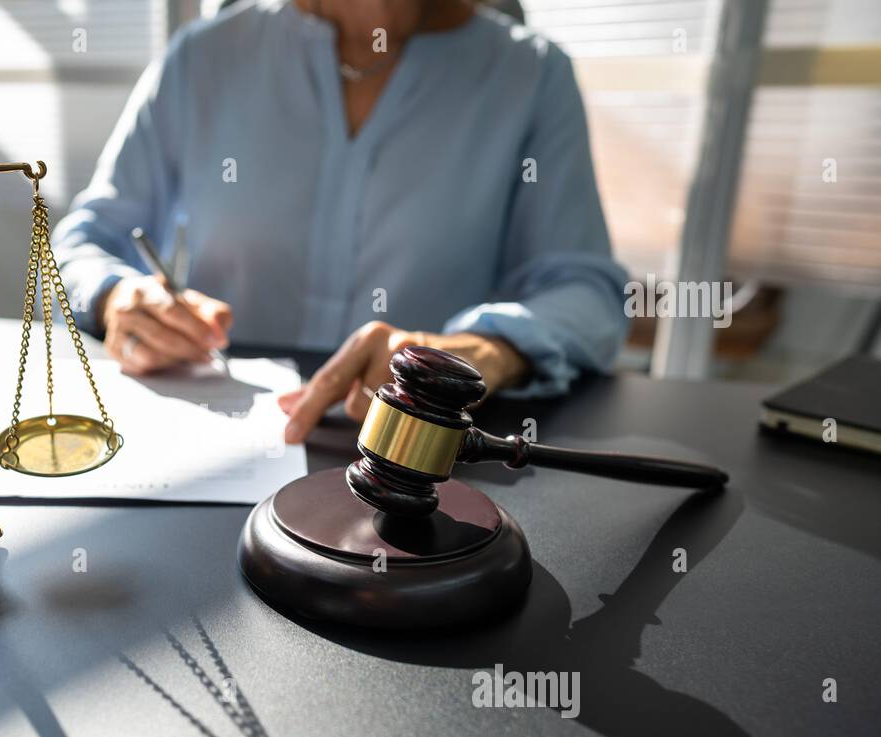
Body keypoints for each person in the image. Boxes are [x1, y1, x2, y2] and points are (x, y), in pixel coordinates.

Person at [52, 0, 628, 444]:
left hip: (423, 457)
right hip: (219, 443)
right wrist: (117, 296)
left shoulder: (533, 75)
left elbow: (587, 293)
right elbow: (86, 241)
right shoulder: (201, 57)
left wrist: (485, 350)